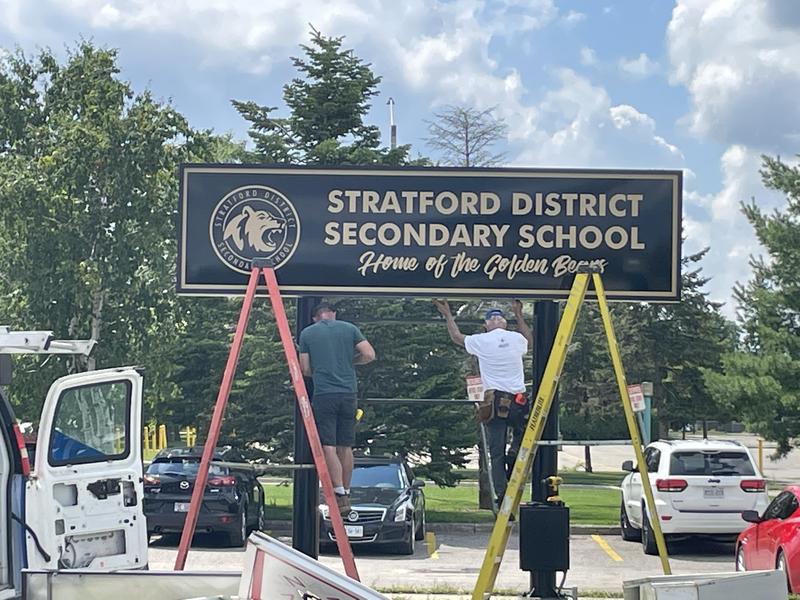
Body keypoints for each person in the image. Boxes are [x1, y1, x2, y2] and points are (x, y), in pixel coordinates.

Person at [433, 299, 532, 508]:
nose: (496, 319)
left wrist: (448, 315)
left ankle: (502, 491)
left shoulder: (482, 340)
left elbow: (457, 338)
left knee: (496, 452)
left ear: (488, 325)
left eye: (496, 317)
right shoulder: (515, 338)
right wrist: (519, 314)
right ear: (502, 323)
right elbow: (528, 340)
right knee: (523, 439)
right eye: (495, 317)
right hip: (518, 400)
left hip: (495, 401)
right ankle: (514, 454)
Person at [298, 302, 376, 515]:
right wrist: (352, 362)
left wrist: (321, 370)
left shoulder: (308, 333)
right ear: (333, 314)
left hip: (325, 394)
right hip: (349, 393)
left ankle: (338, 492)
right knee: (346, 445)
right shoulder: (349, 328)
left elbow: (304, 368)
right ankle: (348, 490)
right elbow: (369, 354)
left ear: (316, 317)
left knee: (328, 446)